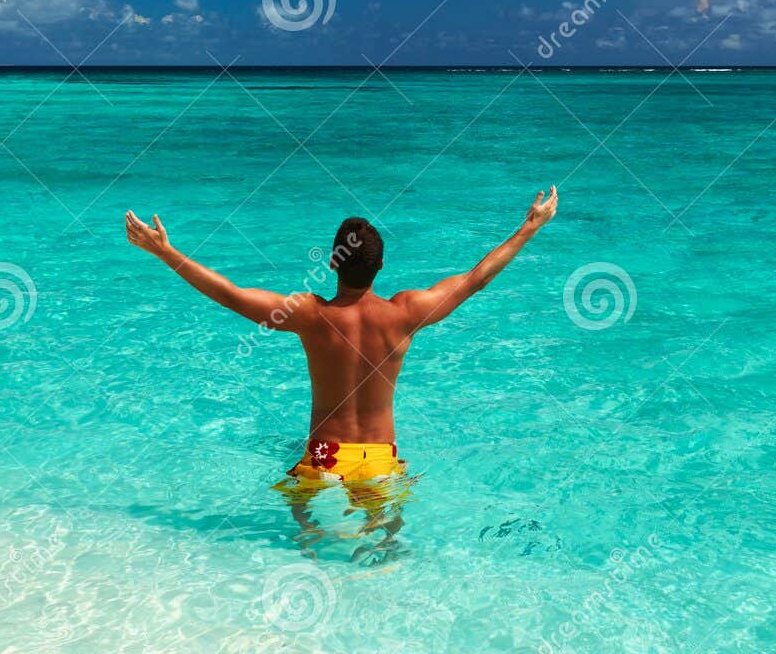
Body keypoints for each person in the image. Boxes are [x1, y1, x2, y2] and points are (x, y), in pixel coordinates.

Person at [123, 189, 558, 489]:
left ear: (333, 263)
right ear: (381, 266)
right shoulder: (405, 313)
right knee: (385, 550)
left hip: (324, 458)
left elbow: (231, 294)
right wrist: (529, 227)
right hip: (381, 458)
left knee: (305, 543)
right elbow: (472, 281)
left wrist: (165, 251)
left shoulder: (311, 315)